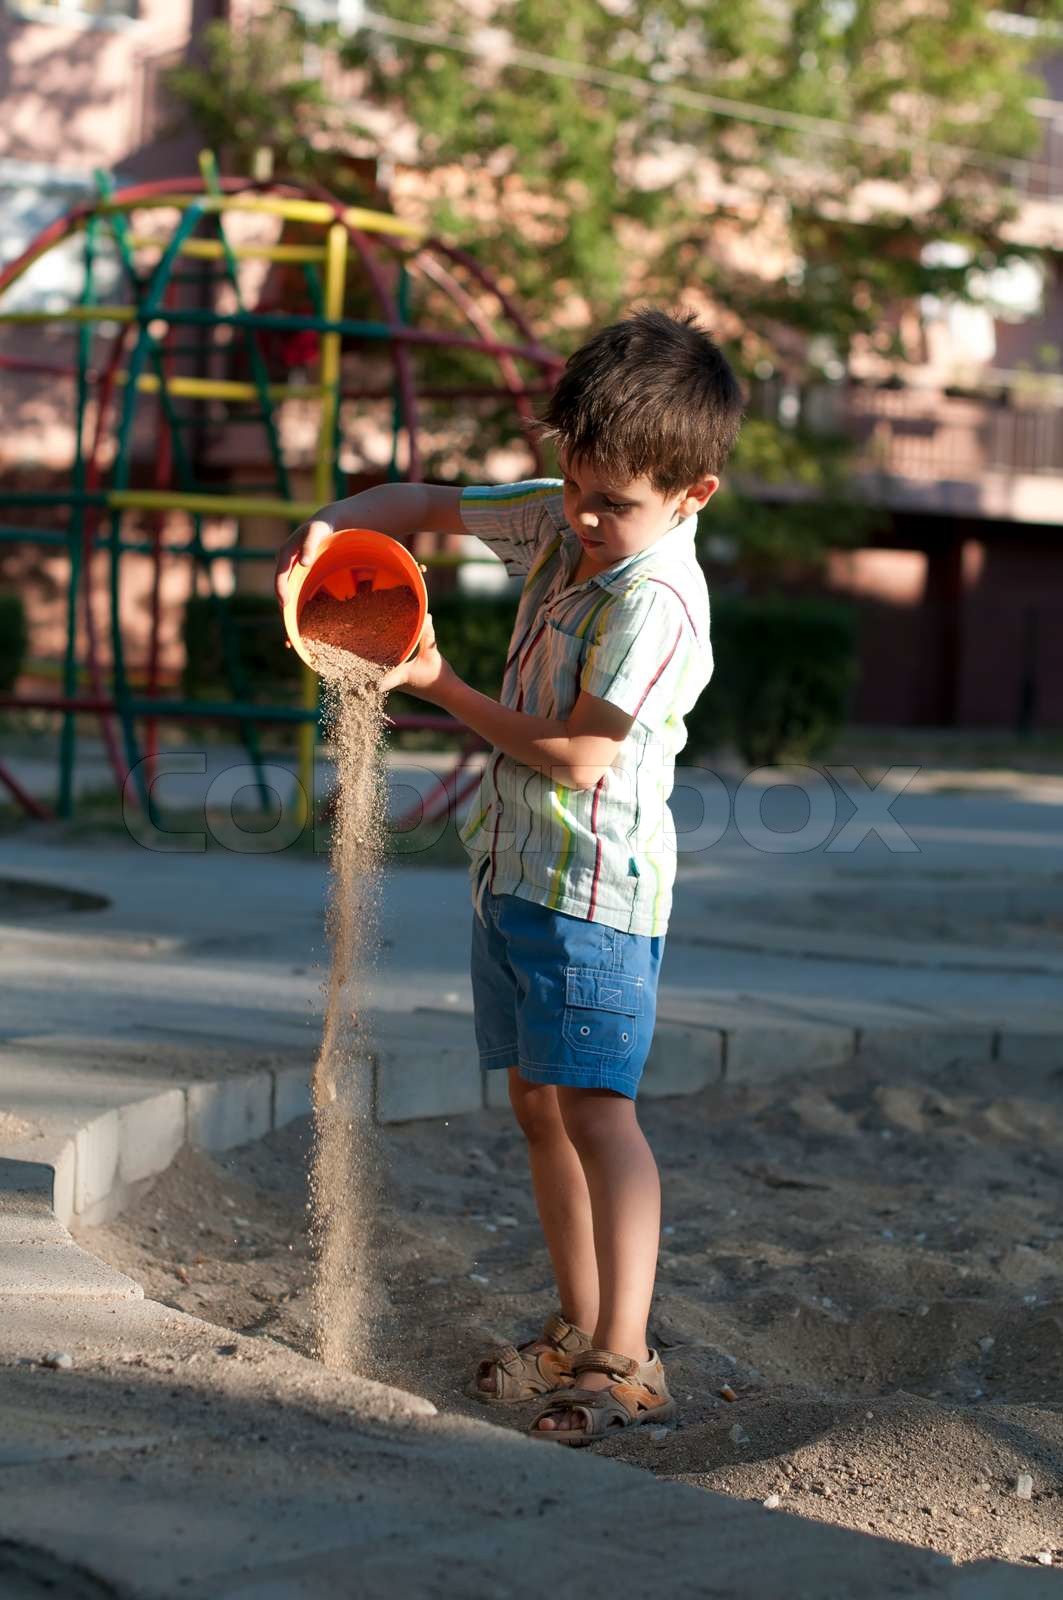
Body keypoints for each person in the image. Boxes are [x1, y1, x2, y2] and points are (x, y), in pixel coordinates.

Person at [274, 306, 743, 1444]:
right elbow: (423, 505)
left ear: (691, 494)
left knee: (599, 1110)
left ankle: (629, 1357)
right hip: (516, 878)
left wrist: (436, 682)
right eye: (574, 484)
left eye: (614, 503)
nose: (582, 519)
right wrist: (328, 529)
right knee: (538, 1104)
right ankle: (580, 1326)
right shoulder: (561, 520)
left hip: (595, 897)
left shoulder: (656, 601)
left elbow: (582, 753)